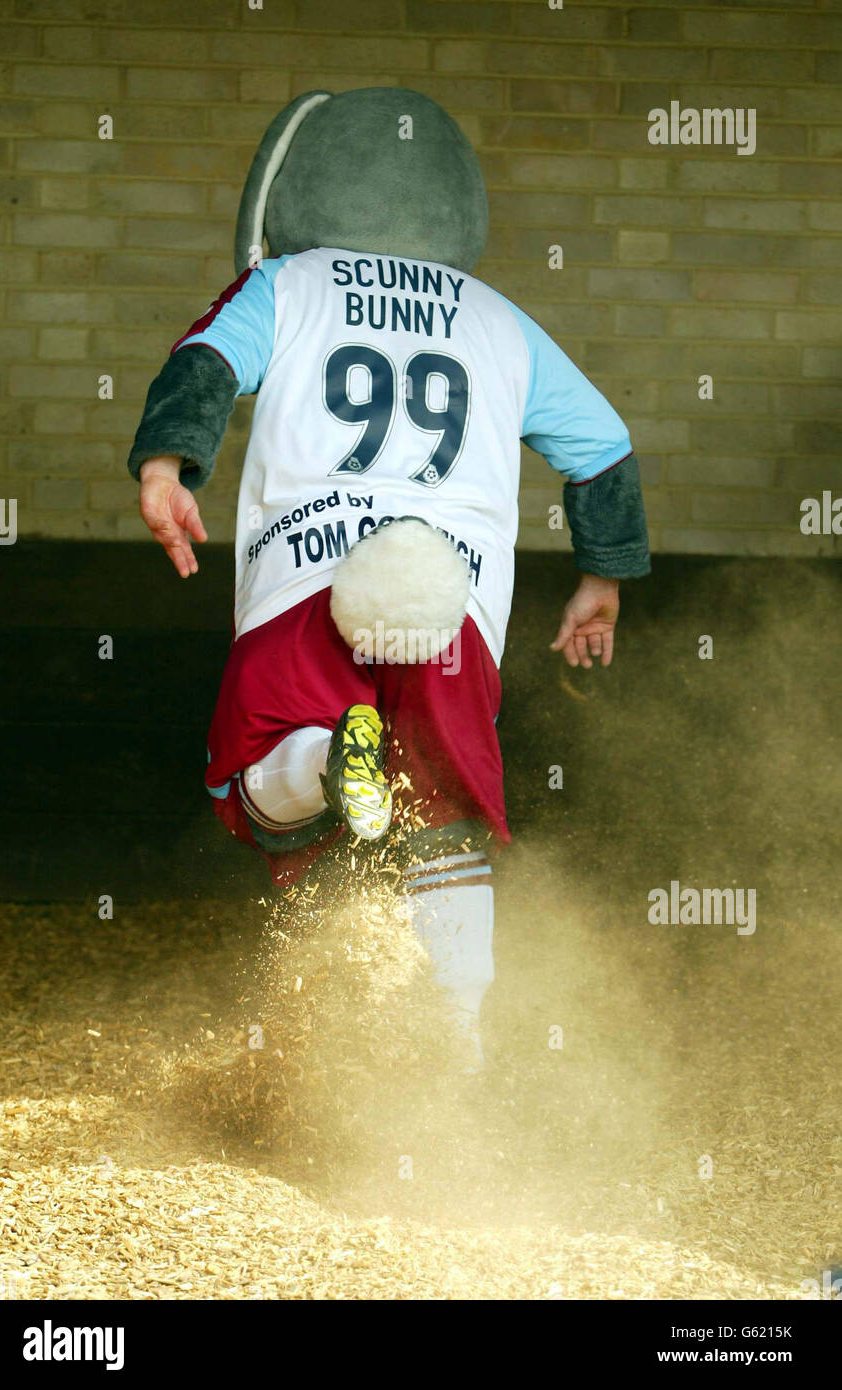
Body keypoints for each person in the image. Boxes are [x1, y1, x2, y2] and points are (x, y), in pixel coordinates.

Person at [128, 88, 650, 1061]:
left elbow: (201, 363)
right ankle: (456, 1058)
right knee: (445, 822)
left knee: (252, 791)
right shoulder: (500, 321)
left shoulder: (286, 284)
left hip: (311, 587)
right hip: (448, 609)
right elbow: (602, 447)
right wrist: (600, 579)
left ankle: (330, 759)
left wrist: (168, 465)